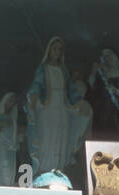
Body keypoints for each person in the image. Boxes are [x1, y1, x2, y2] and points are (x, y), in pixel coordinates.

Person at [26, 37, 92, 175]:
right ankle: (43, 171)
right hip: (47, 109)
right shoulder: (43, 68)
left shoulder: (64, 70)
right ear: (49, 50)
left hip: (62, 109)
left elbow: (71, 91)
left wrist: (80, 102)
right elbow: (37, 85)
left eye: (59, 49)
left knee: (60, 139)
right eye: (54, 48)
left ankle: (58, 170)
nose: (57, 52)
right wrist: (34, 96)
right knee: (46, 139)